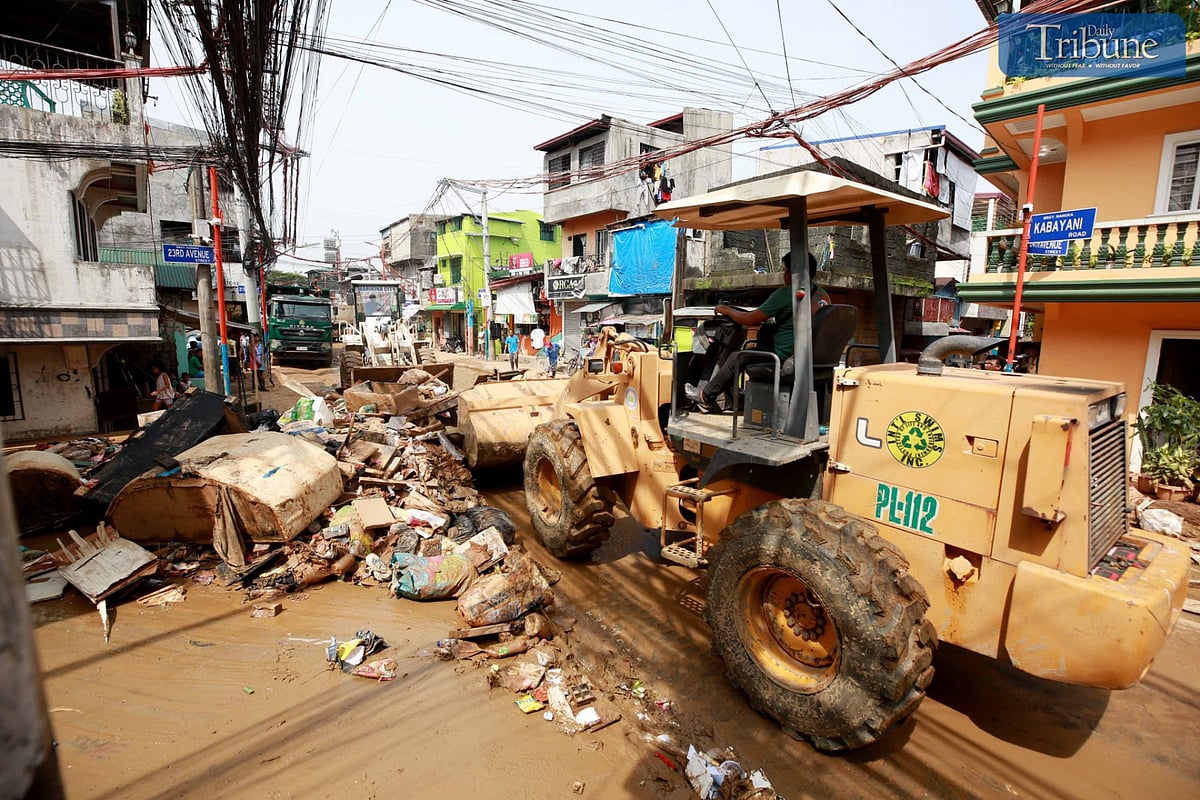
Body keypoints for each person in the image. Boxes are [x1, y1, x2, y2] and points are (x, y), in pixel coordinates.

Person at [685, 251, 825, 413]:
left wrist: (727, 310)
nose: (783, 274)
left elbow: (751, 319)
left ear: (792, 272)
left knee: (737, 357)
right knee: (751, 351)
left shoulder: (788, 293)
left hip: (785, 355)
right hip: (810, 357)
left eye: (784, 270)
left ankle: (706, 397)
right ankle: (733, 397)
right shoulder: (822, 294)